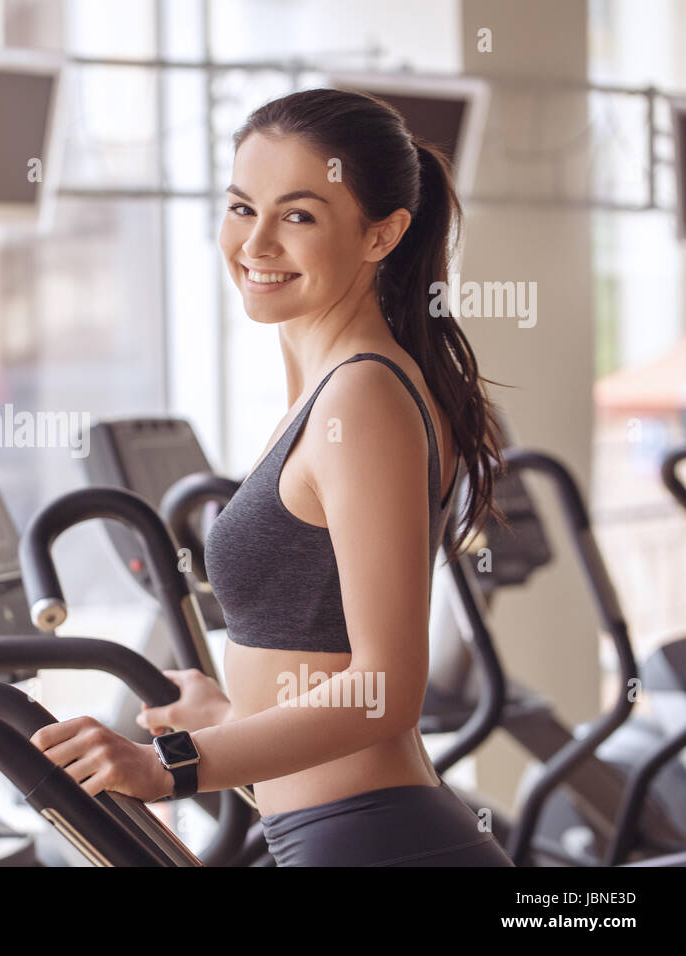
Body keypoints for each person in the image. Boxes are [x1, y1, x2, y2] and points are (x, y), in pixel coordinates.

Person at [30, 88, 514, 866]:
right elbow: (321, 649)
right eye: (240, 207)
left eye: (298, 215)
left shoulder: (361, 397)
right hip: (342, 833)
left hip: (375, 843)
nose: (254, 244)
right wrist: (228, 714)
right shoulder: (329, 393)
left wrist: (170, 769)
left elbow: (386, 687)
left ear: (381, 234)